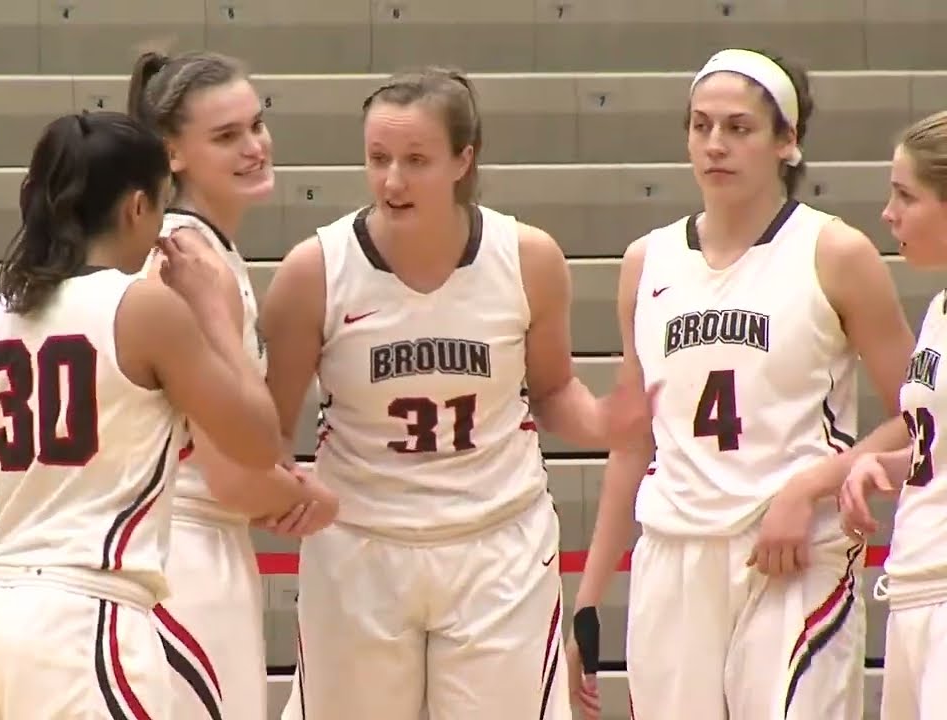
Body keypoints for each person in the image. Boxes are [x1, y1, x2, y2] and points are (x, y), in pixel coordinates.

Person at [0, 110, 287, 720]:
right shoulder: (146, 311)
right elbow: (258, 442)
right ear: (137, 208)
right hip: (85, 621)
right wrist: (216, 313)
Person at [258, 66, 654, 720]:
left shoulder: (528, 258)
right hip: (361, 543)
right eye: (378, 158)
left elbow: (552, 390)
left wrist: (606, 422)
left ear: (462, 160)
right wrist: (280, 485)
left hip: (497, 541)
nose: (392, 180)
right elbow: (269, 425)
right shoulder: (315, 270)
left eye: (416, 160)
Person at [566, 49, 917, 720]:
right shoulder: (647, 262)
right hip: (674, 553)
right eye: (700, 126)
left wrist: (810, 485)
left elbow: (920, 412)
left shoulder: (834, 252)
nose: (715, 145)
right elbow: (632, 435)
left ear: (787, 142)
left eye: (738, 128)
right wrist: (589, 592)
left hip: (793, 550)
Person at [126, 49, 339, 720]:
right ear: (173, 153)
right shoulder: (186, 262)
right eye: (227, 136)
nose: (254, 147)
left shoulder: (204, 249)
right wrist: (315, 502)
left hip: (191, 547)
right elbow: (232, 472)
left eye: (257, 124)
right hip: (181, 554)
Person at [841, 110, 947, 720]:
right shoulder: (937, 308)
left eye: (906, 195)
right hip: (915, 586)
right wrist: (880, 463)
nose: (888, 212)